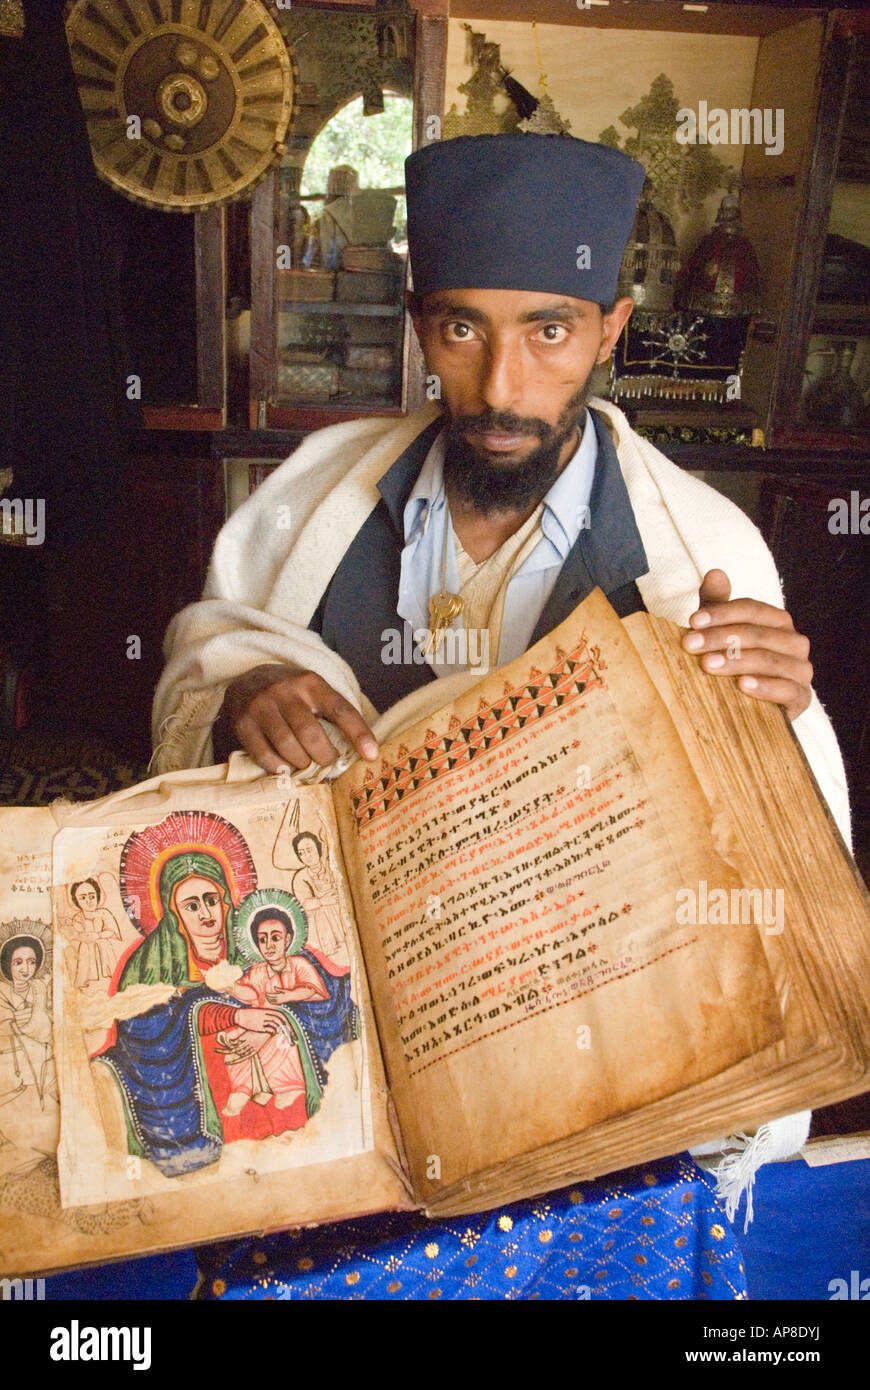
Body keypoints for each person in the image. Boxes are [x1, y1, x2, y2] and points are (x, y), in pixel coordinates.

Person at [151, 133, 851, 1213]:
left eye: (552, 330)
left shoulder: (700, 548)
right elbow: (214, 645)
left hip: (600, 1097)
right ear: (421, 321)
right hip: (340, 1071)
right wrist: (246, 689)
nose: (502, 386)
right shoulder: (315, 498)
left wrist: (772, 728)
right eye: (464, 328)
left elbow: (778, 879)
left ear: (613, 328)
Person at [221, 906, 329, 1119]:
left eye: (275, 938)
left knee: (282, 1040)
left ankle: (289, 1086)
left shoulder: (299, 964)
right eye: (262, 940)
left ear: (287, 939)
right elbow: (250, 994)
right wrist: (231, 988)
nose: (269, 946)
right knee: (235, 1039)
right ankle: (243, 1089)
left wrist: (287, 997)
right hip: (264, 1022)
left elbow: (312, 989)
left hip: (290, 1025)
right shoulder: (258, 971)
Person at [0, 935, 55, 1110]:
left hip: (44, 1052)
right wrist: (14, 1023)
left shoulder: (39, 988)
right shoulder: (3, 994)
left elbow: (46, 1024)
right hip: (13, 1060)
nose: (26, 968)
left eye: (31, 962)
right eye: (18, 962)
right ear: (8, 965)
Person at [289, 832, 344, 957]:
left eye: (309, 850)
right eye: (301, 853)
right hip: (321, 921)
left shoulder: (331, 865)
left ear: (318, 848)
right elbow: (305, 904)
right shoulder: (300, 877)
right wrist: (322, 901)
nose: (307, 856)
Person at [67, 878, 124, 990]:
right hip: (87, 945)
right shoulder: (79, 917)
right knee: (85, 956)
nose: (88, 901)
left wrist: (99, 935)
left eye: (91, 896)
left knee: (107, 960)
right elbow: (77, 933)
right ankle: (85, 980)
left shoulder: (103, 913)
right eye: (83, 898)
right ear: (76, 901)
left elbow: (112, 931)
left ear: (97, 896)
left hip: (103, 944)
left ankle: (110, 976)